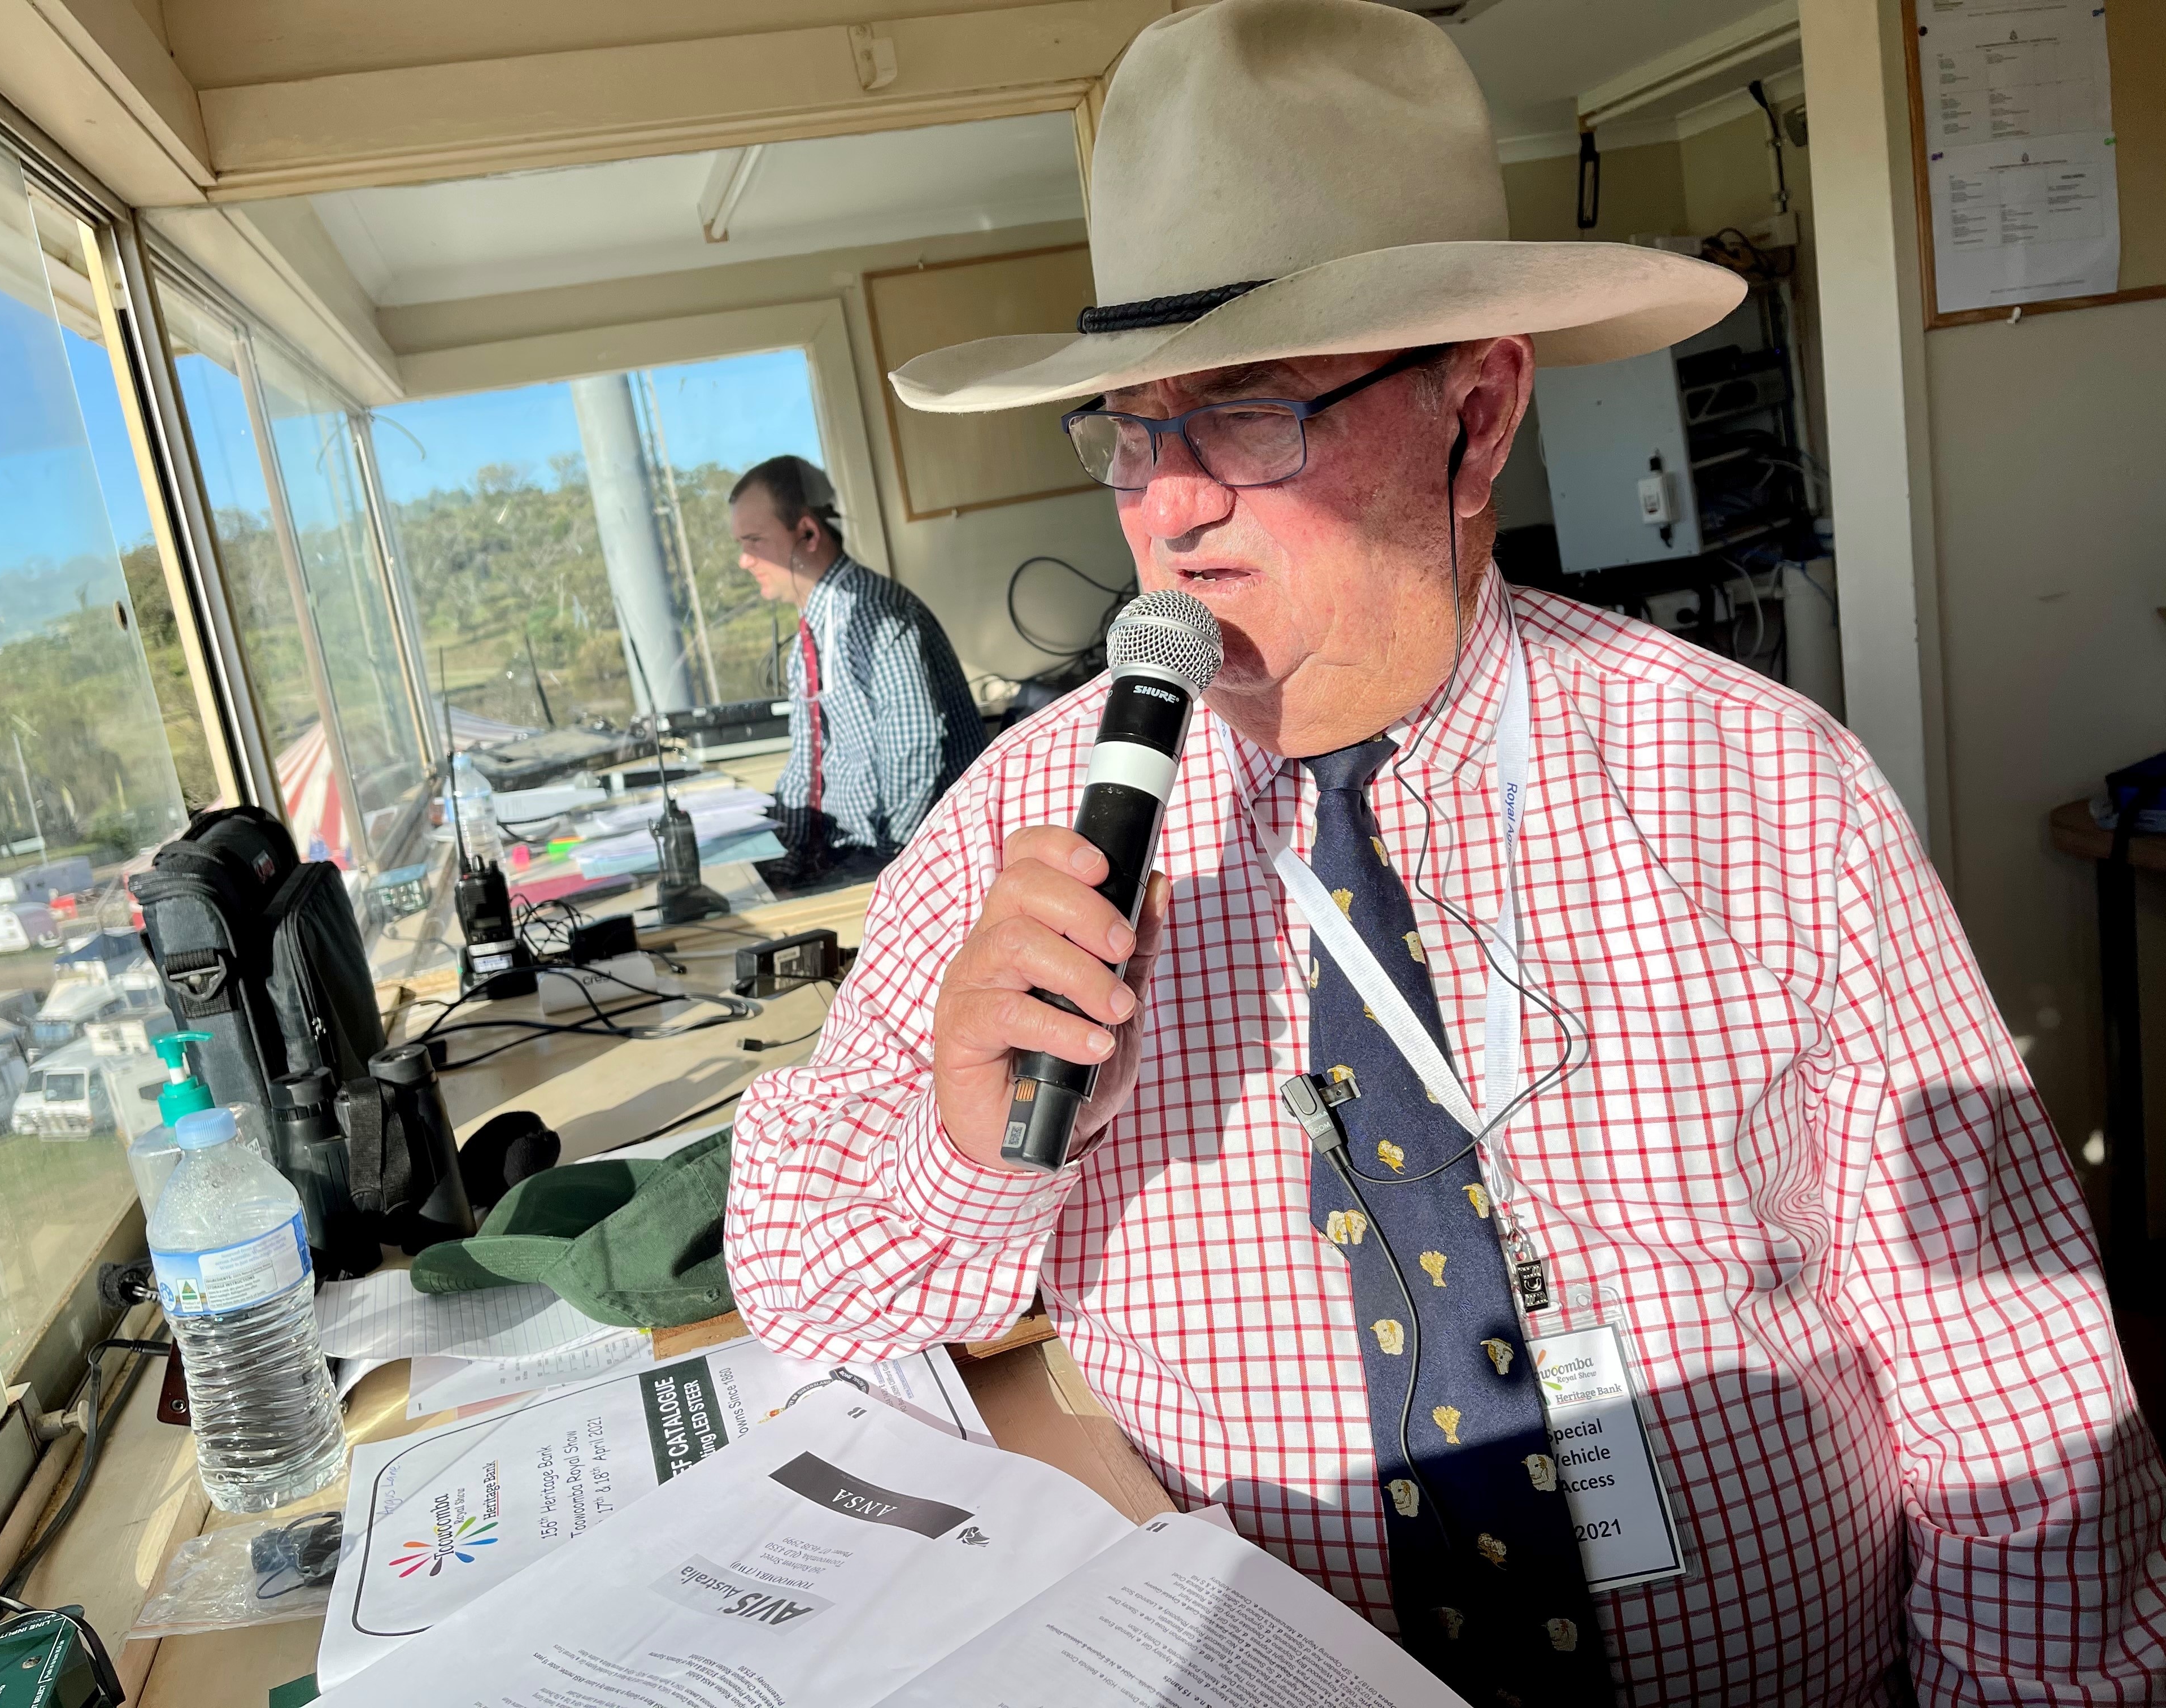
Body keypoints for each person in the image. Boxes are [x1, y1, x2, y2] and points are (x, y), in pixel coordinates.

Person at [726, 3, 2166, 1703]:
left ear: (1478, 417)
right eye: (1130, 427)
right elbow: (802, 1299)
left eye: (1249, 411)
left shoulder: (1768, 787)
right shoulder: (1020, 830)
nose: (1166, 506)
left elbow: (2014, 1391)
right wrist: (969, 1145)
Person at [728, 454, 986, 884]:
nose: (744, 560)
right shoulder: (815, 626)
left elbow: (914, 744)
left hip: (911, 858)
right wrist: (790, 858)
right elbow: (805, 758)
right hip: (847, 848)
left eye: (754, 541)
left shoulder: (870, 613)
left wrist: (890, 867)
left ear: (808, 533)